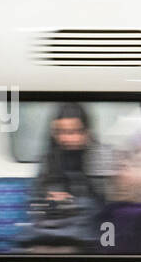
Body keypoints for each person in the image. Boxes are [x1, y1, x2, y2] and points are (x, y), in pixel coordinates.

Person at [17, 103, 113, 253]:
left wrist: (73, 203)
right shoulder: (49, 159)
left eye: (73, 132)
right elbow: (35, 203)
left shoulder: (99, 157)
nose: (66, 138)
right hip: (55, 230)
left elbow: (105, 207)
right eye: (61, 132)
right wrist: (49, 202)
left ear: (86, 133)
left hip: (92, 231)